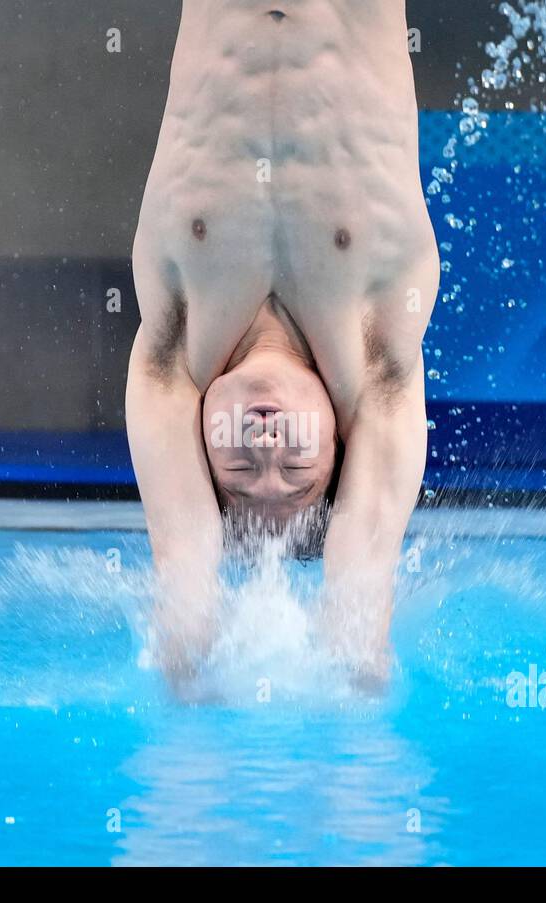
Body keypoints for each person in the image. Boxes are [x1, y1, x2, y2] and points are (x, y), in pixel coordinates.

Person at [126, 1, 438, 691]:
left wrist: (187, 685)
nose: (266, 448)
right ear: (340, 443)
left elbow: (181, 568)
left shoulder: (179, 342)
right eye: (294, 476)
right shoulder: (377, 344)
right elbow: (360, 616)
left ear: (200, 446)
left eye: (240, 476)